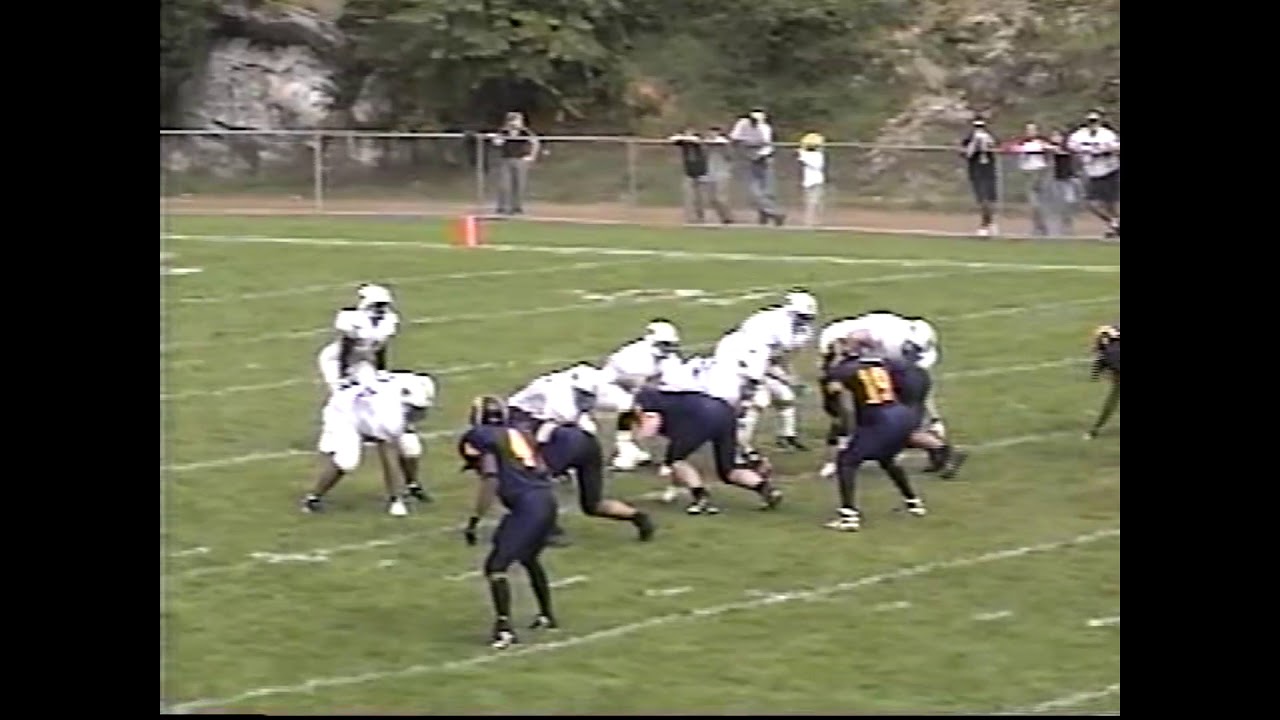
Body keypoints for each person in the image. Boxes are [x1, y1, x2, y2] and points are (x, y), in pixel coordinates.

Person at [458, 395, 561, 650]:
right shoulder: (520, 434)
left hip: (528, 505)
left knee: (496, 566)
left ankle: (504, 629)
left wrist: (474, 519)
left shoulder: (480, 437)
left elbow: (491, 477)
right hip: (546, 499)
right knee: (528, 558)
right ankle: (547, 615)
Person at [823, 342, 927, 532]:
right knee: (886, 459)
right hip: (901, 415)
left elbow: (835, 400)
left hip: (880, 420)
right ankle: (914, 502)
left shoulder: (843, 370)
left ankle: (849, 517)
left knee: (846, 461)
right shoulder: (881, 364)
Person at [301, 370, 435, 516]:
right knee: (348, 460)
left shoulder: (414, 382)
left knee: (411, 446)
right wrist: (396, 500)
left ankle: (412, 486)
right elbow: (387, 456)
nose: (418, 413)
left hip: (364, 406)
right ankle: (313, 498)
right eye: (414, 409)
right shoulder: (388, 411)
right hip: (343, 415)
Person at [1067, 110, 1120, 238]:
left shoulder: (1107, 134)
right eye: (1090, 121)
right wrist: (1085, 149)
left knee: (1111, 203)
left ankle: (1114, 226)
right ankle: (1114, 224)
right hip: (1092, 172)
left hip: (1109, 170)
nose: (1093, 124)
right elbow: (1070, 145)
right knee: (1091, 204)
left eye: (1095, 121)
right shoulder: (1080, 135)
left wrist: (1105, 150)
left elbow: (1116, 146)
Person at [730, 108, 785, 226]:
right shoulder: (743, 124)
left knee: (768, 191)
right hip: (749, 160)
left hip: (764, 159)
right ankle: (775, 213)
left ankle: (766, 214)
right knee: (754, 192)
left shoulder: (765, 128)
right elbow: (735, 138)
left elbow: (766, 145)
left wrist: (759, 153)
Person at [668, 128, 732, 224]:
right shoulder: (684, 143)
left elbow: (720, 142)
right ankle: (696, 219)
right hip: (689, 173)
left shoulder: (703, 143)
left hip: (703, 173)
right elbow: (673, 139)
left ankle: (725, 217)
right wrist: (684, 137)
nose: (688, 135)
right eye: (686, 133)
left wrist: (695, 139)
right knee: (690, 197)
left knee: (713, 198)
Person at [1005, 122, 1052, 236]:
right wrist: (1014, 148)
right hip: (1027, 173)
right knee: (1034, 203)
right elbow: (1009, 148)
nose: (1030, 132)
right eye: (1028, 130)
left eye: (1033, 130)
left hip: (1039, 173)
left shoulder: (1040, 143)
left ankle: (1042, 226)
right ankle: (1039, 226)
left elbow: (1051, 148)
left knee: (1037, 202)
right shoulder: (1022, 143)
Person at [491, 112, 540, 216]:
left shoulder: (524, 132)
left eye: (517, 120)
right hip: (506, 160)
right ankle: (502, 207)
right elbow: (496, 142)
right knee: (504, 185)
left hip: (520, 160)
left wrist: (532, 156)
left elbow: (535, 142)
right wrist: (498, 138)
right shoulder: (503, 131)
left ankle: (517, 208)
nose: (514, 123)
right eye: (512, 120)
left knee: (519, 185)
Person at [960, 117, 999, 237]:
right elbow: (965, 154)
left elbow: (997, 147)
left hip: (988, 171)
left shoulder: (989, 137)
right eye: (977, 127)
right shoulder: (968, 140)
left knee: (989, 199)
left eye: (981, 127)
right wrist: (974, 144)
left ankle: (988, 223)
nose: (979, 130)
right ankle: (986, 223)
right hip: (976, 172)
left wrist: (987, 143)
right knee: (982, 199)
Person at [1084, 322, 1120, 439]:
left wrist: (1096, 374)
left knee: (1111, 402)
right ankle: (1095, 429)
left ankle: (1095, 429)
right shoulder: (1109, 349)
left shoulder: (1110, 352)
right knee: (1111, 401)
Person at [1045, 129, 1081, 236]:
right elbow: (1044, 148)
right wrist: (1052, 148)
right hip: (1056, 179)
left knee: (1069, 202)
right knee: (1058, 203)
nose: (1055, 138)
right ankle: (1060, 225)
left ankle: (1068, 224)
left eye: (1058, 136)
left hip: (1068, 179)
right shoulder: (1050, 148)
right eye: (1053, 136)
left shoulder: (1068, 148)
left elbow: (1073, 158)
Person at [797, 132, 827, 227]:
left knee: (815, 201)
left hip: (817, 181)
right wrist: (801, 154)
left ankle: (815, 220)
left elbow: (817, 165)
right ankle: (810, 221)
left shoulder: (818, 155)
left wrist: (802, 158)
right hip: (808, 182)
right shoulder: (805, 154)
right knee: (809, 202)